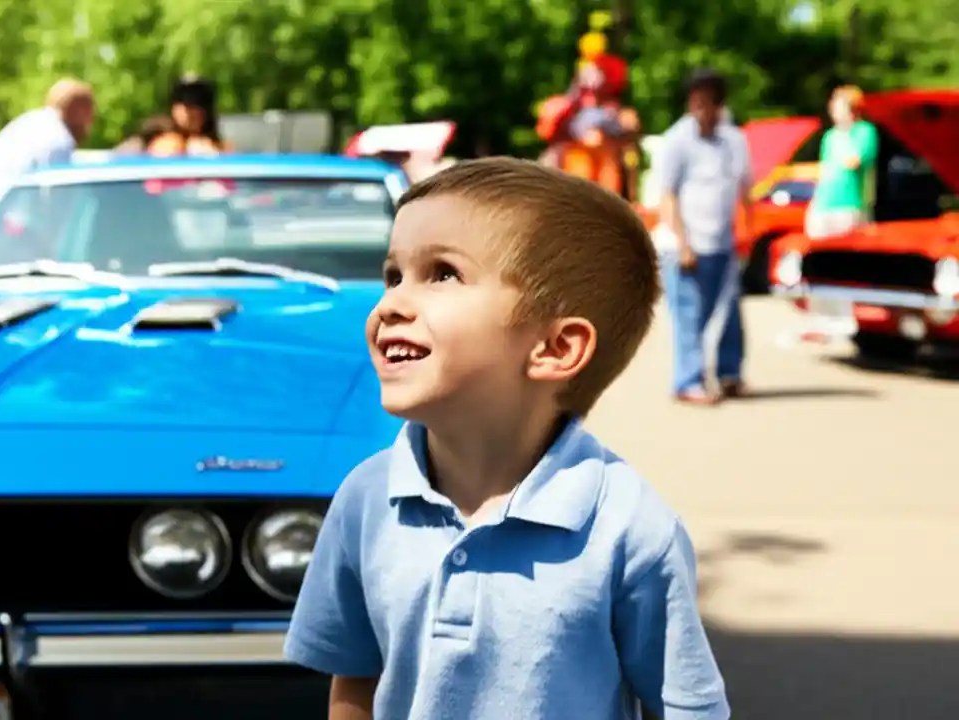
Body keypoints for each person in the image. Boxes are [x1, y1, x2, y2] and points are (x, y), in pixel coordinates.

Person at [283, 157, 728, 719]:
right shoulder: (366, 501)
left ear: (555, 348)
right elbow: (355, 687)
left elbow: (687, 708)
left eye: (442, 273)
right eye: (394, 274)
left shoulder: (629, 527)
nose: (391, 304)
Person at [654, 69, 753, 405]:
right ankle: (688, 381)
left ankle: (730, 374)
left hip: (722, 243)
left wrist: (747, 231)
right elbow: (666, 196)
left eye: (707, 101)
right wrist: (683, 244)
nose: (700, 107)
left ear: (719, 104)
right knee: (689, 315)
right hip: (684, 245)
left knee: (730, 317)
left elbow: (744, 189)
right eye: (694, 100)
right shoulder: (676, 140)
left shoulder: (733, 141)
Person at [0, 78, 95, 219]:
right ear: (81, 112)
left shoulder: (29, 124)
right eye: (90, 116)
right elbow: (55, 206)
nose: (90, 125)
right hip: (3, 228)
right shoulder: (58, 140)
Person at [805, 85, 878, 239]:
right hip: (823, 204)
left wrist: (846, 130)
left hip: (850, 204)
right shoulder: (830, 136)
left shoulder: (864, 131)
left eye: (838, 104)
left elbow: (853, 162)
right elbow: (825, 170)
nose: (833, 108)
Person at [143, 75, 230, 156]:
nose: (188, 110)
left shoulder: (221, 148)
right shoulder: (164, 145)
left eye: (197, 101)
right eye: (181, 99)